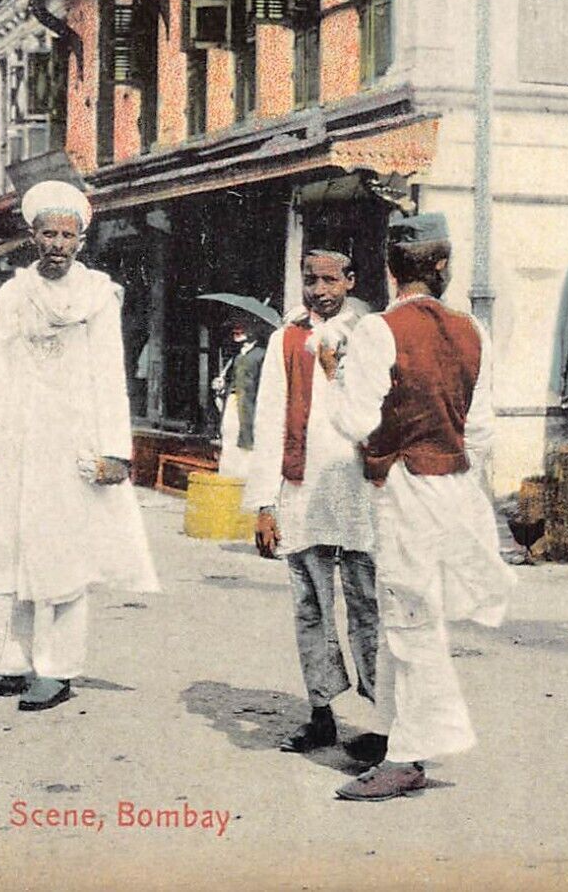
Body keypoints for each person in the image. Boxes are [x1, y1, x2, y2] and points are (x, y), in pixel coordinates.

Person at [324, 211, 516, 801]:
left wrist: (335, 376)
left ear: (389, 268)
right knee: (404, 606)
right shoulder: (471, 329)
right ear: (444, 268)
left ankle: (409, 755)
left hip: (405, 483)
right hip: (452, 483)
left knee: (408, 613)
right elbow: (481, 430)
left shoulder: (379, 330)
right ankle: (389, 728)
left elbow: (354, 419)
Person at [0, 180, 159, 712]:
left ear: (81, 240)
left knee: (61, 554)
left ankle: (57, 669)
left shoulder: (99, 296)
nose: (58, 244)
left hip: (71, 440)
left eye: (68, 235)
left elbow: (111, 375)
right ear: (32, 236)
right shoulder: (15, 293)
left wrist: (115, 449)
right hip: (15, 435)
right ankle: (3, 664)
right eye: (49, 234)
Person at [245, 249, 383, 762]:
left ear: (350, 280)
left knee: (369, 604)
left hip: (362, 492)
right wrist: (265, 502)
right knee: (310, 605)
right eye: (310, 280)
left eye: (329, 279)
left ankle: (380, 719)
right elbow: (268, 423)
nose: (320, 289)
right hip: (302, 491)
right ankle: (321, 712)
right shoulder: (286, 339)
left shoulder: (374, 332)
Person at [213, 316, 265, 480]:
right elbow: (232, 382)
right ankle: (228, 479)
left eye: (243, 326)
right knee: (229, 438)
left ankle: (244, 481)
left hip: (250, 406)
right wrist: (221, 385)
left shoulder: (261, 355)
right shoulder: (236, 356)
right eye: (235, 327)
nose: (237, 330)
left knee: (246, 444)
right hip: (233, 403)